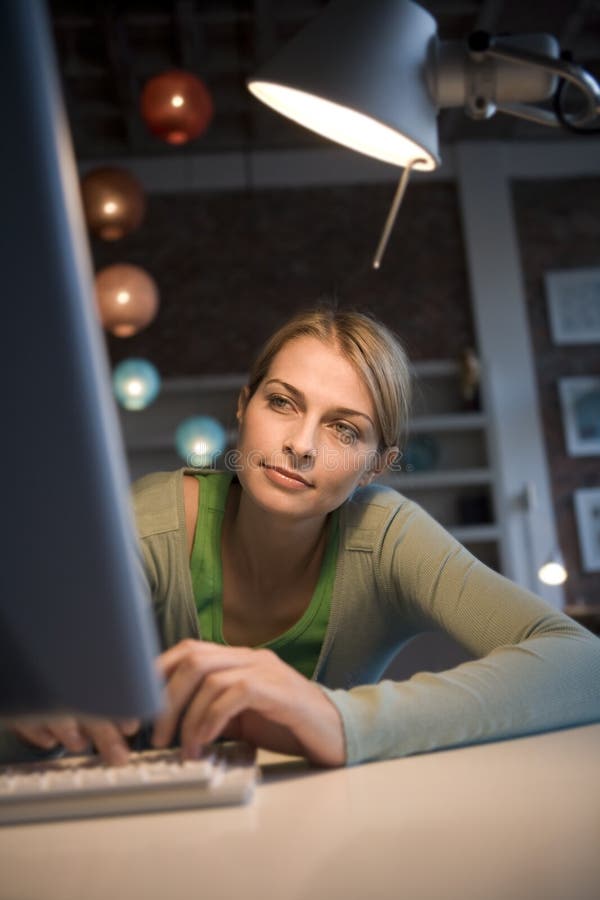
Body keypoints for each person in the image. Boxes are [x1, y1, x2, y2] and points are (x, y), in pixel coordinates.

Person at [5, 307, 600, 766]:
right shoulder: (147, 522)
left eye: (344, 429)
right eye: (283, 402)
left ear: (375, 466)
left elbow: (583, 664)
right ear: (244, 408)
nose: (302, 444)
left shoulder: (386, 535)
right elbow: (37, 694)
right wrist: (27, 710)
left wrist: (339, 719)